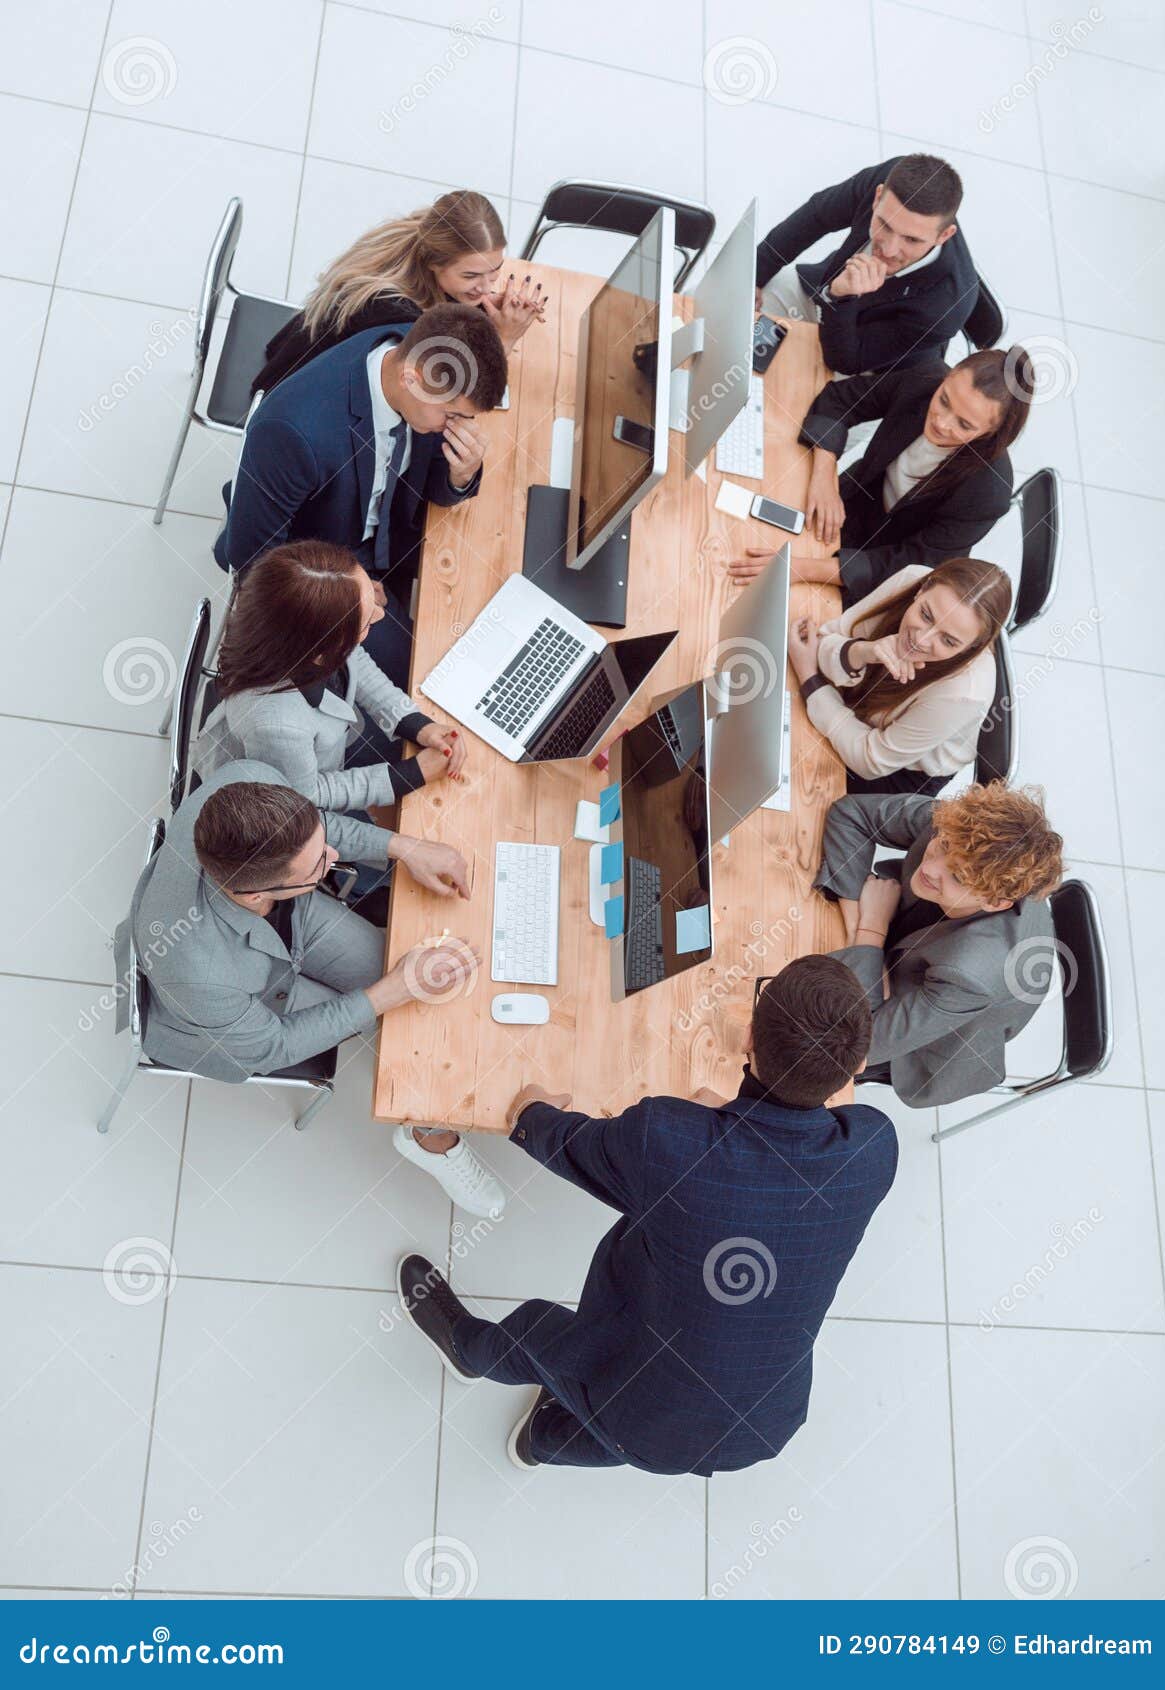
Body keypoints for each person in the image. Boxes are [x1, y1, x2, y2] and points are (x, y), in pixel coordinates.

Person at [396, 956, 897, 1475]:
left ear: (748, 1036)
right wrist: (731, 1123)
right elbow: (774, 1174)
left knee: (540, 1333)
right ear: (858, 1066)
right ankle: (542, 1443)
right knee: (634, 1429)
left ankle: (466, 1354)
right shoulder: (874, 1150)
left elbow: (572, 1145)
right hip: (763, 1421)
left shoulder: (671, 1142)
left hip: (650, 1413)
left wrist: (531, 1112)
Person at [123, 759, 504, 1216]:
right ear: (255, 895)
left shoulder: (242, 780)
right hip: (245, 1012)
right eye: (320, 867)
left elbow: (315, 835)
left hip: (291, 922)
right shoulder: (197, 969)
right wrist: (391, 991)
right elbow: (272, 1046)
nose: (336, 860)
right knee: (400, 1012)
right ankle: (429, 1137)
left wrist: (405, 847)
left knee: (413, 986)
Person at [214, 302, 509, 687]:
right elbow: (253, 562)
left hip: (391, 541)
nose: (453, 427)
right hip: (322, 571)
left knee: (487, 608)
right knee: (425, 677)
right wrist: (348, 590)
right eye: (452, 415)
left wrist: (461, 474)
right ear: (411, 379)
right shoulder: (292, 432)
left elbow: (433, 475)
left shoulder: (421, 350)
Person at [815, 782, 1064, 1107]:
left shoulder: (974, 973)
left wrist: (872, 928)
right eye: (941, 845)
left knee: (815, 1044)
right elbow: (851, 813)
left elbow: (859, 1042)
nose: (929, 867)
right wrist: (857, 926)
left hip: (929, 1038)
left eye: (958, 876)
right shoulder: (960, 829)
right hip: (903, 951)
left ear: (994, 902)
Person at [728, 347, 1035, 606]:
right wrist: (824, 474)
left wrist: (801, 569)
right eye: (943, 400)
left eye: (964, 425)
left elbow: (912, 565)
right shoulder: (924, 378)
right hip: (845, 501)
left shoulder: (987, 494)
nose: (941, 423)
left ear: (991, 434)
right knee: (735, 532)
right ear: (947, 378)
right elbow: (841, 399)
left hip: (873, 570)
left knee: (764, 598)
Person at [196, 540, 467, 811]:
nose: (382, 614)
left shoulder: (301, 636)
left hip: (327, 745)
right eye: (367, 620)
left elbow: (356, 659)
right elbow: (306, 797)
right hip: (282, 806)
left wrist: (415, 722)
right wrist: (409, 776)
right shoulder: (277, 726)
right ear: (322, 653)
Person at [254, 189, 544, 394]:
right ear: (434, 263)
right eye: (470, 275)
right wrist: (504, 338)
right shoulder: (394, 313)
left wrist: (480, 304)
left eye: (494, 269)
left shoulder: (418, 234)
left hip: (293, 345)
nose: (487, 285)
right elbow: (449, 392)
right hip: (291, 395)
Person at [787, 558, 1012, 797]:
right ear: (922, 590)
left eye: (948, 641)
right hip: (856, 709)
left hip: (896, 772)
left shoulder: (963, 695)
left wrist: (810, 680)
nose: (921, 640)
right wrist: (863, 652)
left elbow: (870, 760)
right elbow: (828, 636)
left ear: (971, 647)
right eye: (926, 615)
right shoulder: (912, 578)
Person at [756, 154, 977, 376]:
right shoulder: (892, 179)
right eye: (885, 224)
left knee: (792, 391)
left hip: (866, 356)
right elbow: (818, 216)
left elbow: (844, 361)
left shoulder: (947, 308)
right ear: (878, 197)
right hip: (820, 292)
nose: (889, 250)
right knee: (746, 321)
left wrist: (841, 297)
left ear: (944, 235)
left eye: (911, 240)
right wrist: (756, 277)